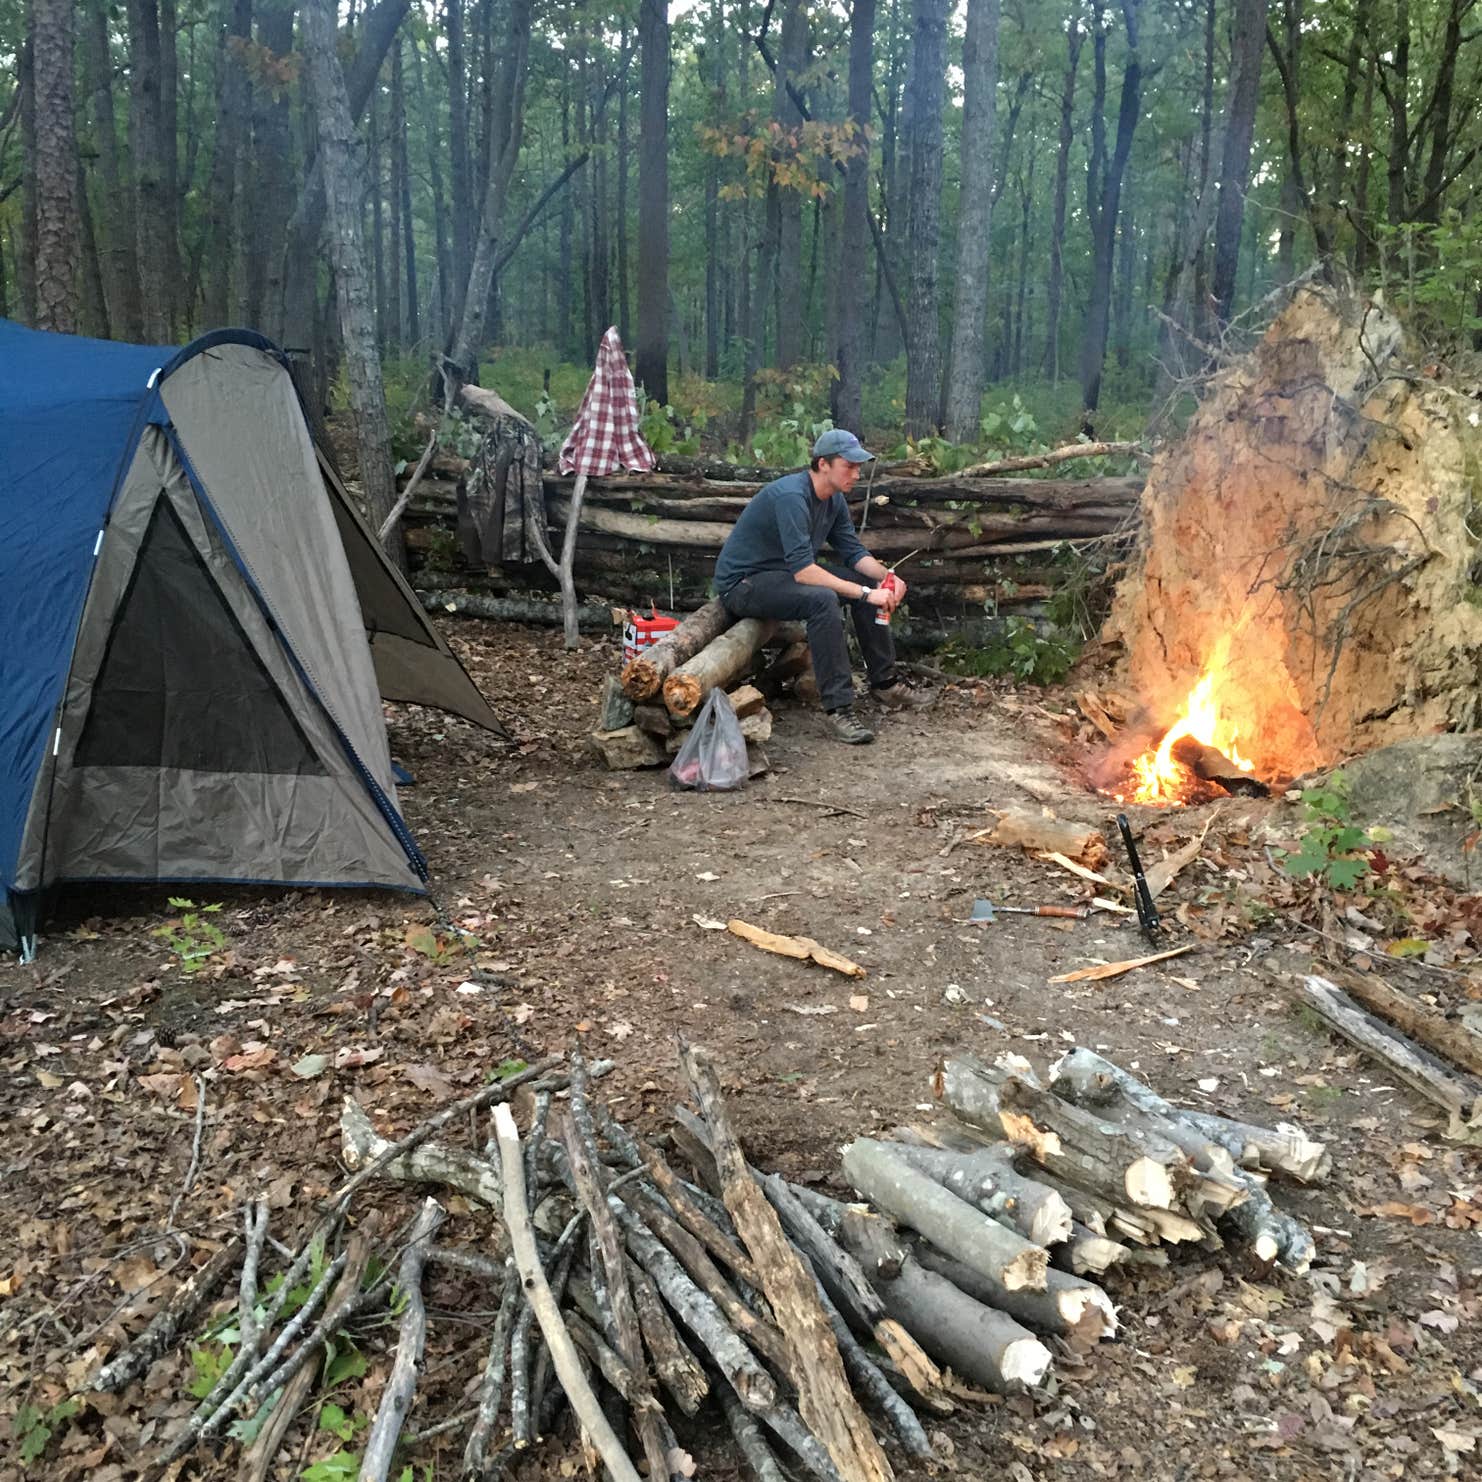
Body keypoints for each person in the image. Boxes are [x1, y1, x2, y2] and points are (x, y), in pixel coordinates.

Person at [714, 428, 934, 744]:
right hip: (744, 583)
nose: (857, 474)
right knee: (823, 599)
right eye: (850, 466)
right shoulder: (793, 497)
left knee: (863, 581)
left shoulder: (833, 501)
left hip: (781, 575)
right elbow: (804, 572)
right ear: (823, 464)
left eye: (859, 467)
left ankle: (885, 684)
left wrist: (887, 577)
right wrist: (868, 594)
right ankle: (839, 708)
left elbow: (854, 553)